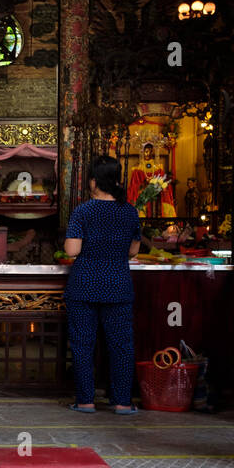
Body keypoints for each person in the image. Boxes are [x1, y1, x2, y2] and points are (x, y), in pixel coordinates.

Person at [64, 155, 142, 415]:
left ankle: (86, 401)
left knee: (83, 344)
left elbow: (72, 249)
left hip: (85, 284)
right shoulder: (130, 211)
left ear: (94, 182)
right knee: (121, 346)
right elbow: (133, 250)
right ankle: (122, 402)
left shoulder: (83, 211)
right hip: (118, 285)